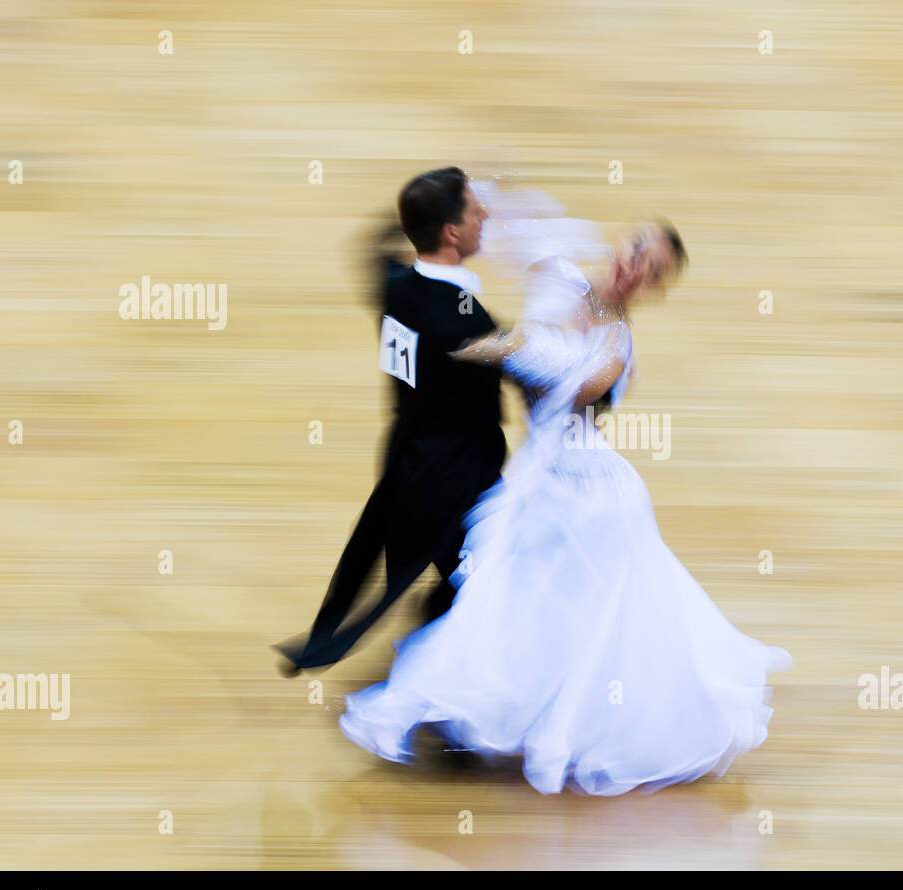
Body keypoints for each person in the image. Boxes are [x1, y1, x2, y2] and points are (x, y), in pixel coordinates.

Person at [337, 202, 792, 795]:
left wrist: (468, 343)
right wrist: (474, 206)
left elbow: (552, 380)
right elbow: (508, 229)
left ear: (654, 288)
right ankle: (479, 711)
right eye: (634, 252)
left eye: (650, 271)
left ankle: (497, 715)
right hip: (540, 481)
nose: (634, 270)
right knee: (522, 604)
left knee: (548, 608)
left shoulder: (617, 348)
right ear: (618, 246)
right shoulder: (562, 277)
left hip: (588, 496)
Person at [275, 167, 507, 675]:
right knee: (485, 580)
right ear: (451, 232)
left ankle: (441, 667)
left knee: (460, 577)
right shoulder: (466, 323)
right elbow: (528, 363)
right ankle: (438, 687)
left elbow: (372, 246)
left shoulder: (395, 284)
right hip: (456, 480)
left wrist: (411, 212)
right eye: (474, 209)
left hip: (407, 461)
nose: (484, 215)